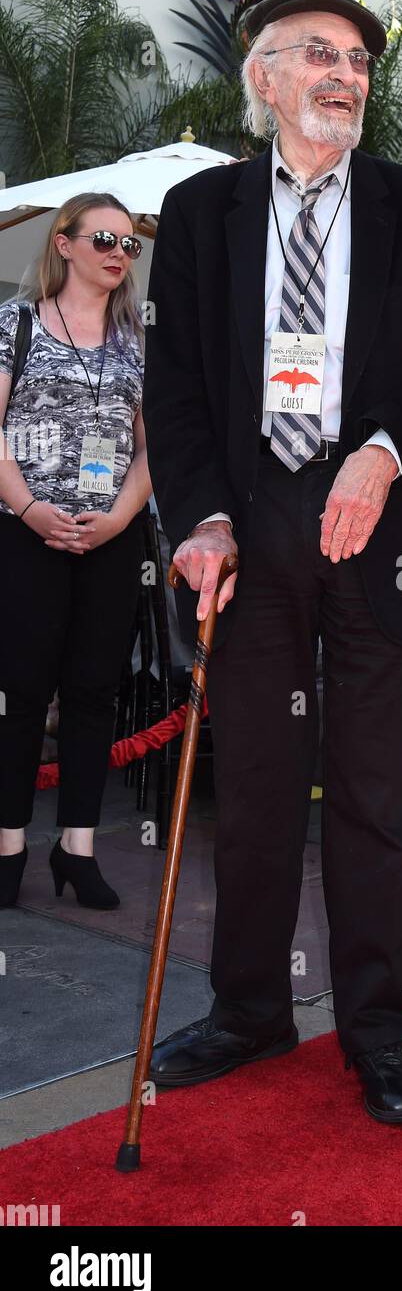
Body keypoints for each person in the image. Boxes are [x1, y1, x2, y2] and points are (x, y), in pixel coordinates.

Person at [141, 0, 402, 1123]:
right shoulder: (201, 214)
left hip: (376, 522)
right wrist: (198, 517)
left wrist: (383, 454)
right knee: (252, 788)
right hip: (247, 529)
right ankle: (248, 1008)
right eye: (319, 56)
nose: (345, 75)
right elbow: (176, 392)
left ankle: (379, 1025)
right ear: (266, 78)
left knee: (379, 799)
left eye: (358, 61)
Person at [0, 193, 150, 910]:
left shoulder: (138, 342)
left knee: (95, 695)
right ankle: (7, 849)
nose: (119, 253)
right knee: (21, 694)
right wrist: (29, 510)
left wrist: (120, 517)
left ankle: (77, 850)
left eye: (129, 244)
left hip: (111, 541)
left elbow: (156, 450)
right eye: (103, 239)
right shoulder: (15, 323)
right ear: (63, 245)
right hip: (26, 534)